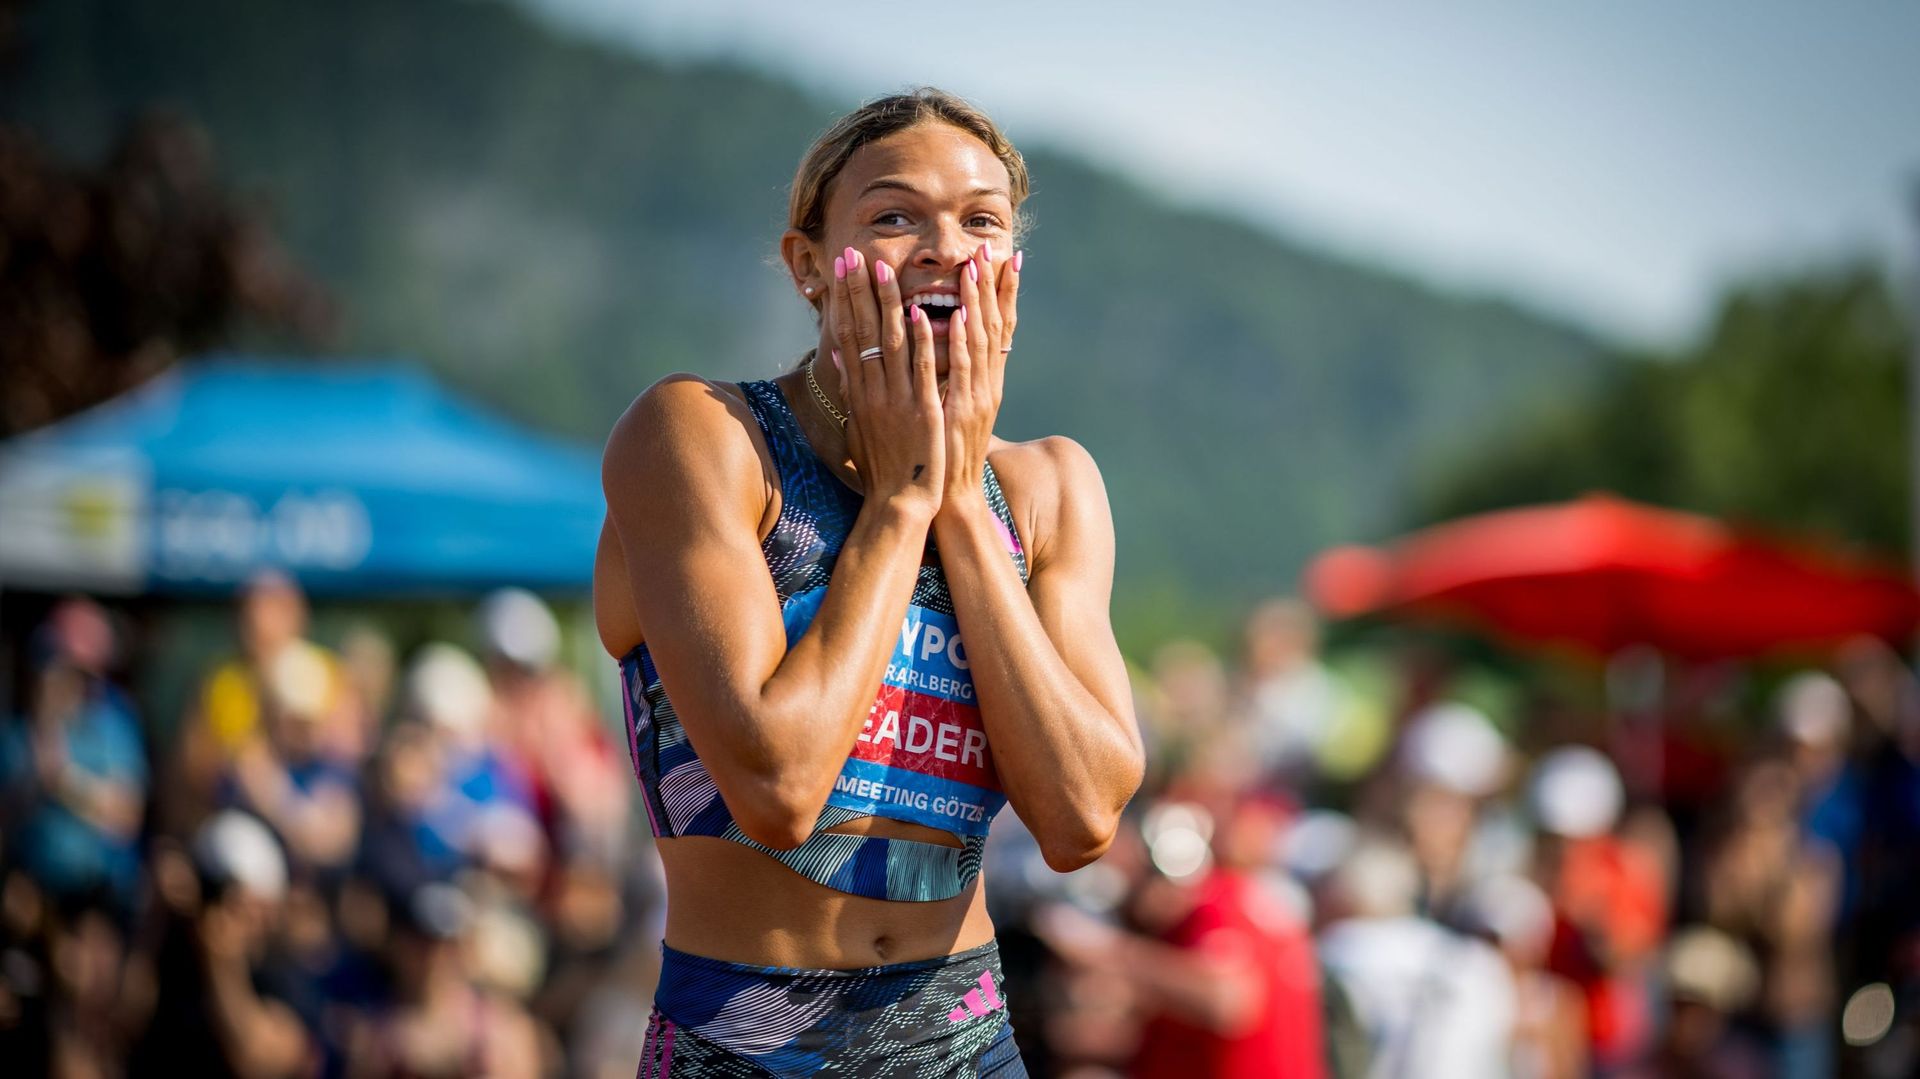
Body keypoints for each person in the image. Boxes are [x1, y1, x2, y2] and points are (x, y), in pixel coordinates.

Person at [593, 87, 1144, 1075]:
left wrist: (962, 505)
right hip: (741, 1046)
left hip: (965, 1043)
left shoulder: (1050, 487)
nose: (943, 247)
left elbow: (1083, 818)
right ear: (809, 266)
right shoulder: (703, 440)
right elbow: (778, 784)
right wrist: (900, 505)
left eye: (980, 219)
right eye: (895, 216)